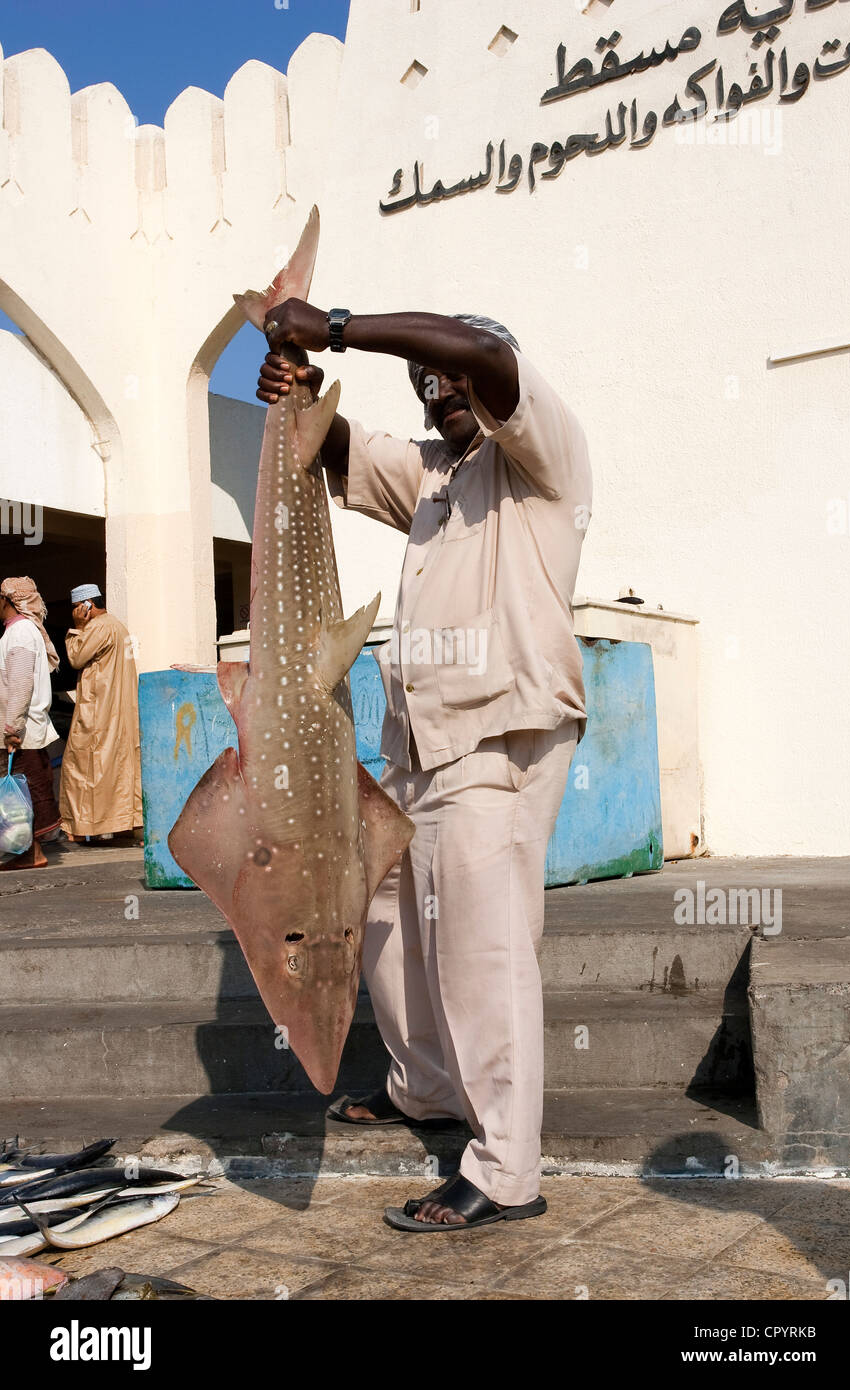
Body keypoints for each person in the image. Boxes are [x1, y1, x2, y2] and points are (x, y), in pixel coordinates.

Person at [256, 304, 591, 1231]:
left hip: (499, 742)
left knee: (485, 954)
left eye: (448, 379)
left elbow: (482, 348)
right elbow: (338, 453)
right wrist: (297, 392)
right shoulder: (438, 477)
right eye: (424, 386)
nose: (438, 392)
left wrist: (338, 327)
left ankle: (505, 1171)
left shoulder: (543, 458)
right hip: (416, 749)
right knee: (386, 926)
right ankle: (426, 1086)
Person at [59, 584, 143, 843]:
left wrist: (76, 628)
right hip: (119, 710)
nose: (75, 612)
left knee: (81, 767)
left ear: (86, 606)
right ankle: (123, 823)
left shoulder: (96, 627)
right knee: (118, 768)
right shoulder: (119, 626)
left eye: (77, 608)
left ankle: (80, 826)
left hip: (99, 711)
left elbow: (76, 658)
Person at [0, 576, 62, 870]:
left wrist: (11, 729)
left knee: (23, 793)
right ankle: (25, 850)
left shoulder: (21, 633)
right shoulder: (19, 631)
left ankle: (30, 852)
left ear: (7, 600)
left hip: (22, 730)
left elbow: (21, 684)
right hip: (24, 728)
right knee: (24, 791)